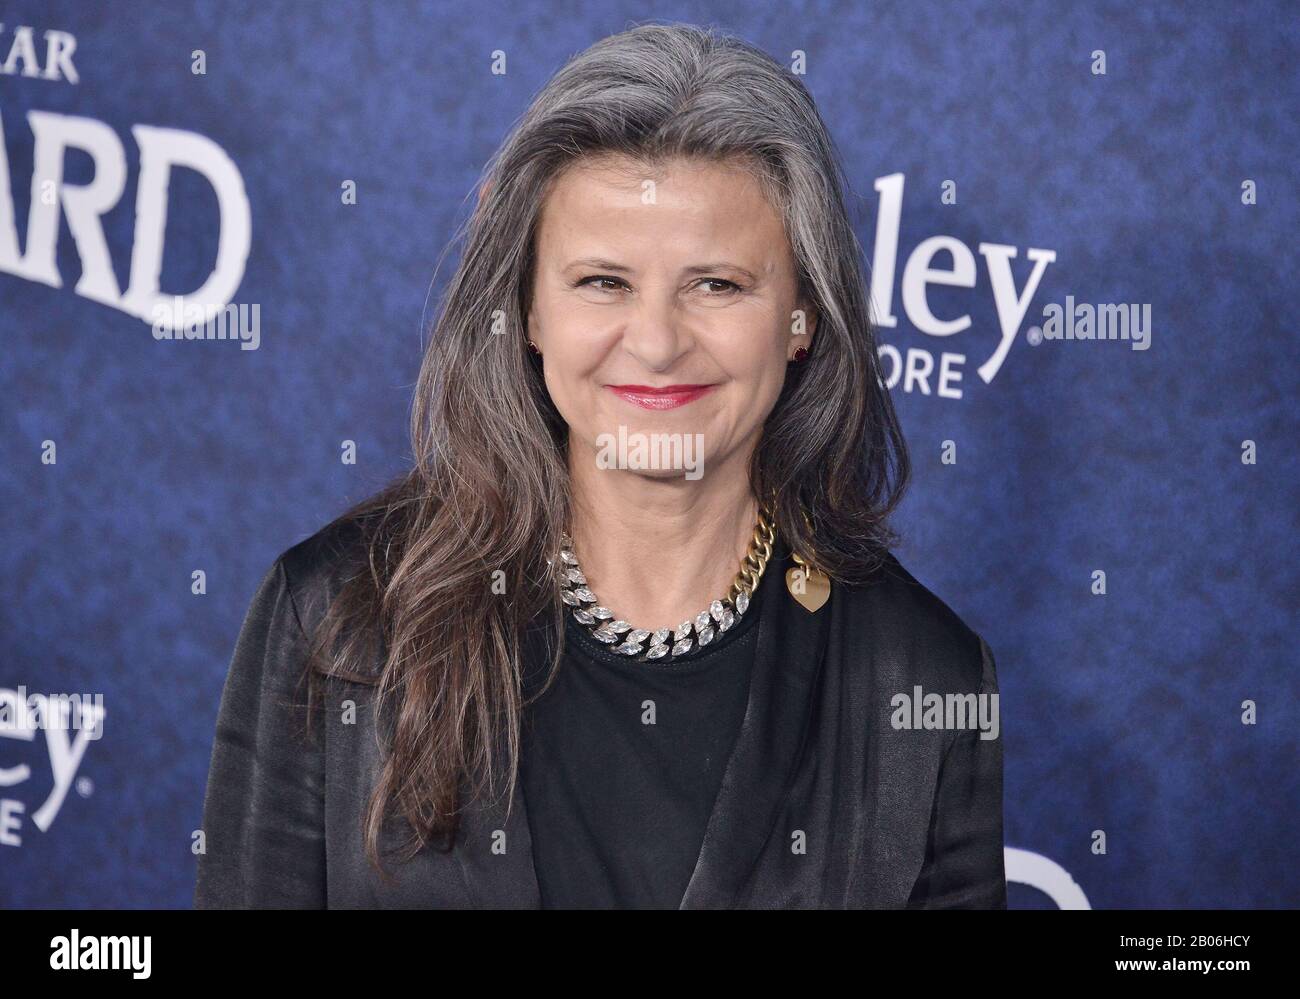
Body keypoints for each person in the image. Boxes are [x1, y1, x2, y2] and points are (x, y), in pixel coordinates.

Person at [194, 21, 1005, 909]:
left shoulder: (920, 674)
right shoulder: (338, 618)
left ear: (802, 317)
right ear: (529, 313)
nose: (656, 343)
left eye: (717, 285)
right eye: (603, 283)